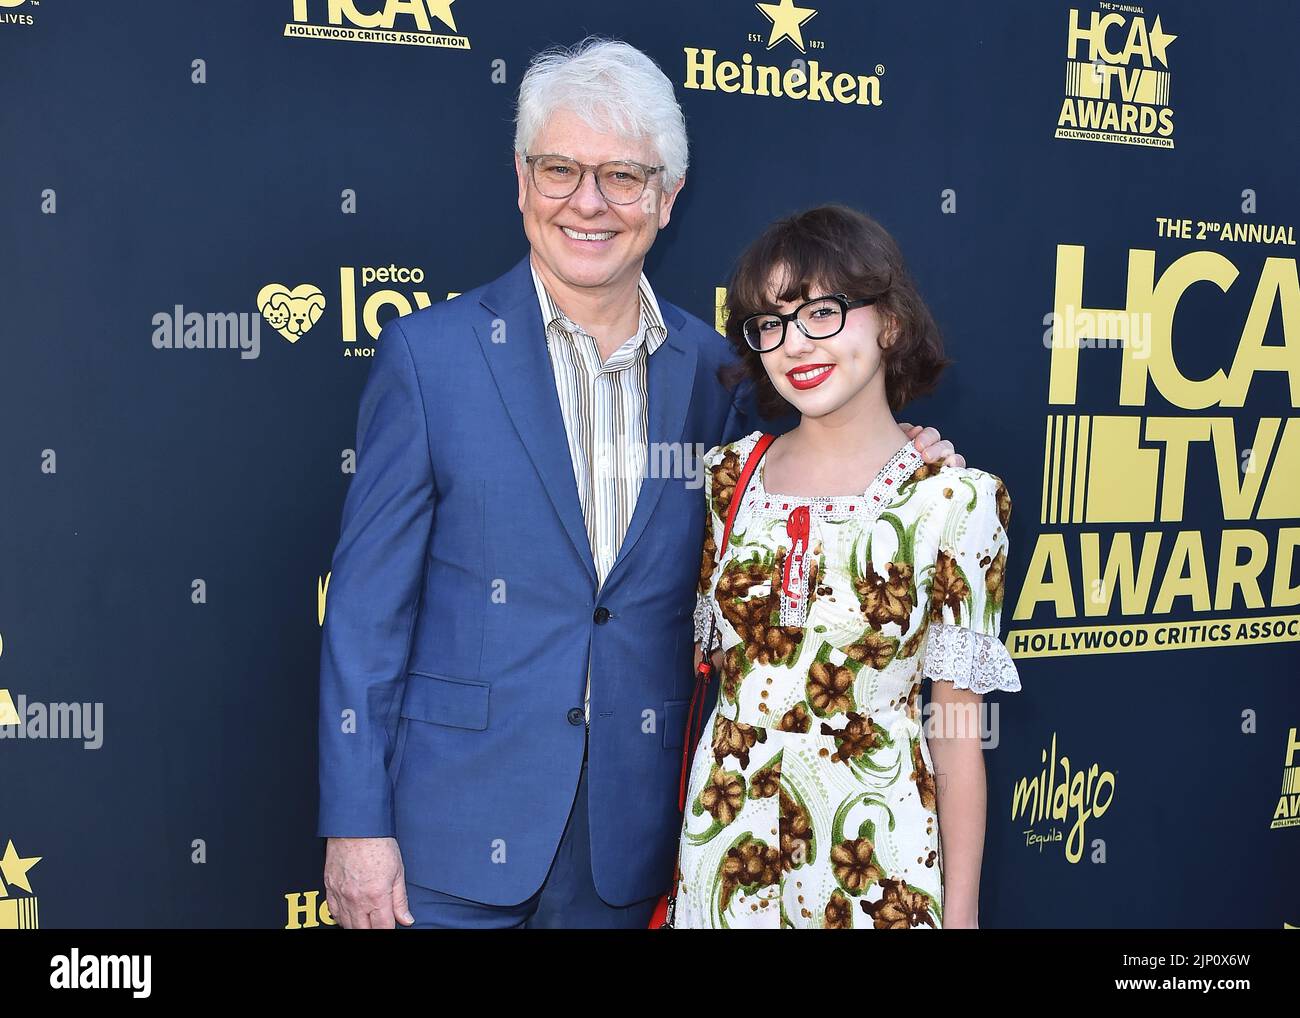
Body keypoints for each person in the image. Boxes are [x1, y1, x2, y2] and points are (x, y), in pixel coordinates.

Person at [317, 38, 965, 931]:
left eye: (623, 176)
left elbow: (811, 485)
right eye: (560, 170)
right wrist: (356, 826)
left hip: (636, 850)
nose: (589, 202)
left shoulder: (722, 376)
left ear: (667, 199)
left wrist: (910, 458)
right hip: (446, 842)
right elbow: (363, 614)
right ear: (520, 180)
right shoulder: (430, 359)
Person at [672, 204, 1021, 929]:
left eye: (822, 312)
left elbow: (957, 735)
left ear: (889, 322)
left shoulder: (957, 501)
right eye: (771, 323)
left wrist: (963, 913)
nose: (795, 343)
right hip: (725, 848)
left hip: (877, 859)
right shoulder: (727, 478)